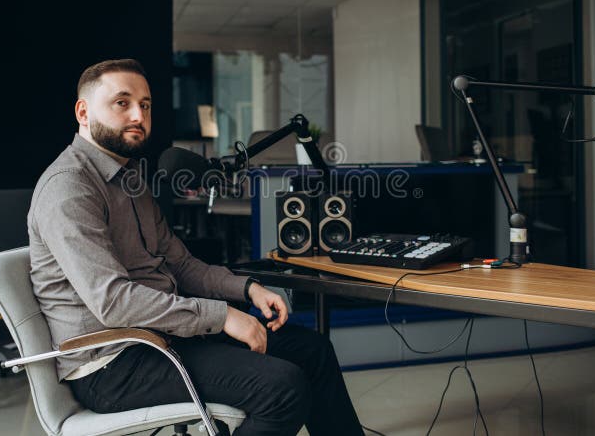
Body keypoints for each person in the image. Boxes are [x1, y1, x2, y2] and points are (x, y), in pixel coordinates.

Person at [28, 59, 364, 436]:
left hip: (162, 337)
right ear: (83, 112)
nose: (139, 114)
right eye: (122, 103)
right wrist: (224, 317)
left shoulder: (131, 179)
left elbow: (182, 265)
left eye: (146, 104)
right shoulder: (69, 187)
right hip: (113, 363)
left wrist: (247, 289)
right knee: (282, 388)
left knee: (313, 351)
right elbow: (114, 302)